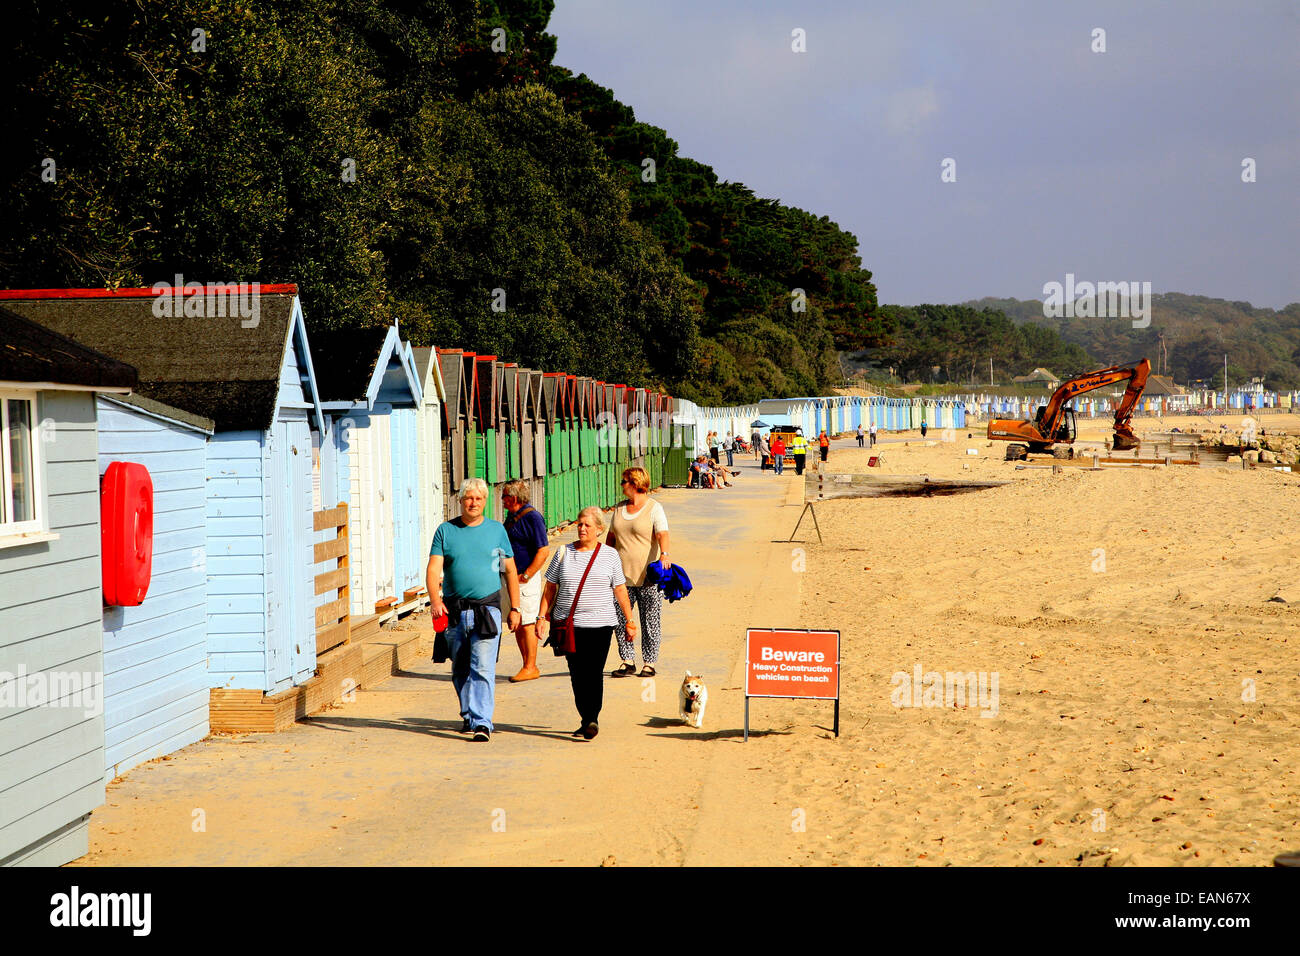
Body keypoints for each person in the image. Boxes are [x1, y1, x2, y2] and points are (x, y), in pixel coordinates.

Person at [427, 478, 521, 742]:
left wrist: (515, 607)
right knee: (459, 670)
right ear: (460, 501)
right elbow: (434, 569)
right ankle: (469, 714)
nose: (473, 503)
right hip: (454, 611)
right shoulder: (446, 531)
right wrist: (435, 600)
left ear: (485, 502)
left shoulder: (496, 531)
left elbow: (510, 570)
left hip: (487, 610)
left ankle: (482, 723)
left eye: (479, 498)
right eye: (469, 498)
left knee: (483, 667)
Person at [538, 507, 636, 740]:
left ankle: (592, 718)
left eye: (587, 525)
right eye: (580, 524)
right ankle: (586, 717)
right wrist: (541, 618)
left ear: (599, 529)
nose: (582, 528)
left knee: (593, 672)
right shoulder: (563, 552)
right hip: (569, 626)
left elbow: (620, 589)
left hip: (601, 625)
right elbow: (550, 588)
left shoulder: (610, 555)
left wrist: (629, 621)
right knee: (577, 674)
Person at [606, 467, 671, 679]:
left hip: (647, 576)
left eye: (623, 482)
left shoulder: (654, 508)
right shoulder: (619, 508)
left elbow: (662, 533)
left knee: (650, 621)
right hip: (620, 576)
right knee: (621, 619)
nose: (621, 485)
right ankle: (627, 661)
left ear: (634, 483)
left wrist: (665, 554)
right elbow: (611, 537)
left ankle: (649, 663)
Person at [501, 480, 551, 683]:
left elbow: (544, 550)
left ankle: (530, 666)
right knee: (518, 622)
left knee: (528, 622)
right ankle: (526, 665)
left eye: (504, 496)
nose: (502, 500)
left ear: (513, 498)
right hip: (513, 578)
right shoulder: (512, 516)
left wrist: (527, 575)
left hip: (524, 579)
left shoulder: (532, 517)